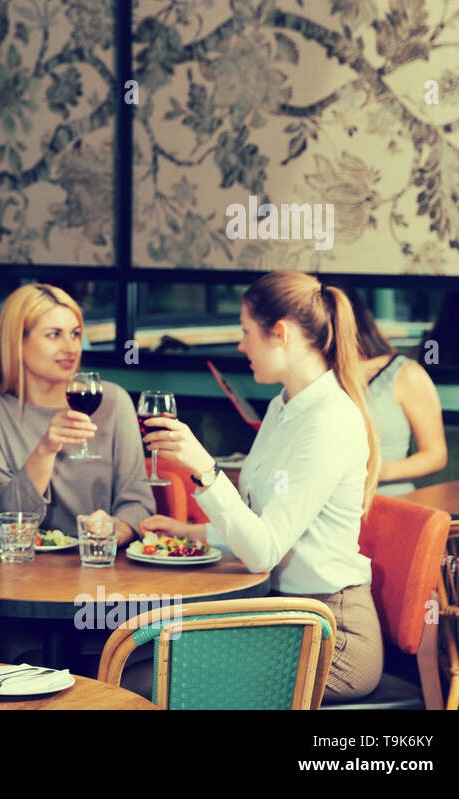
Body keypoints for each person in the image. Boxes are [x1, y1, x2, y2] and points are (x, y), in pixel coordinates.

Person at [140, 271, 383, 701]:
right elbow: (262, 526)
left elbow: (264, 552)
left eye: (245, 331)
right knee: (148, 663)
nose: (240, 345)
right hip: (282, 617)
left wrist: (206, 470)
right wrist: (190, 533)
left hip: (332, 633)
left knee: (155, 680)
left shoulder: (330, 422)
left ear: (281, 333)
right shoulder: (284, 406)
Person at [0, 283, 154, 540]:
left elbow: (139, 504)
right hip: (17, 567)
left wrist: (113, 531)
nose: (71, 348)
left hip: (99, 566)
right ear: (17, 341)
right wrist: (46, 449)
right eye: (53, 335)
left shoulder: (113, 401)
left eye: (75, 334)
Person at [341, 288, 446, 495]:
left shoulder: (406, 373)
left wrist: (378, 471)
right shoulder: (315, 374)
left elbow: (436, 454)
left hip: (388, 500)